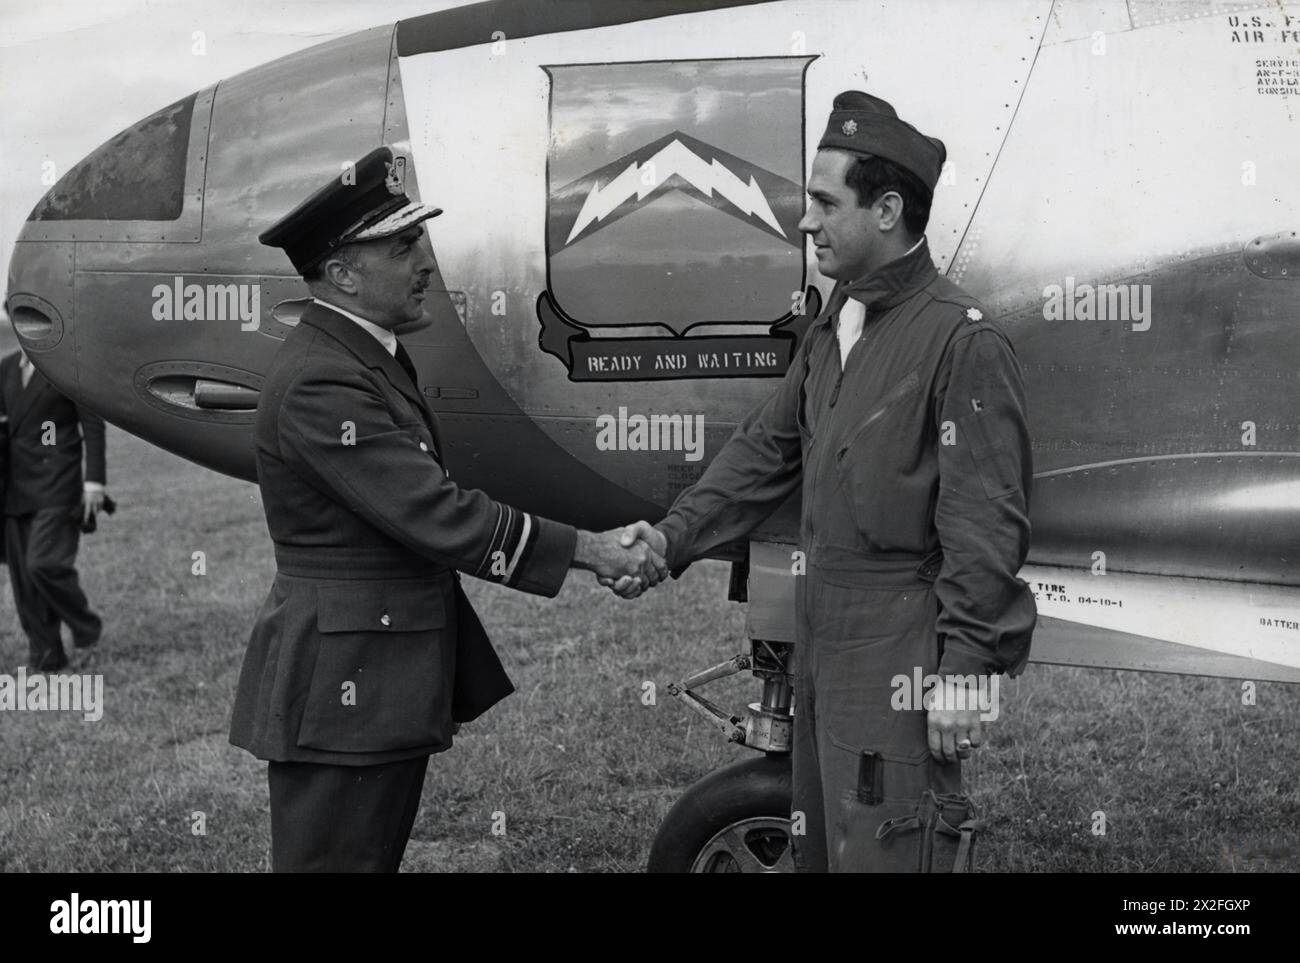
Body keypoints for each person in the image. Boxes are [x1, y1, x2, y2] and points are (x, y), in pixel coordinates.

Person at [616, 92, 1037, 872]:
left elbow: (987, 522)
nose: (805, 222)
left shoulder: (961, 342)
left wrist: (967, 667)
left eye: (822, 202)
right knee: (825, 850)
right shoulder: (839, 319)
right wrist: (673, 538)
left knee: (889, 847)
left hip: (898, 650)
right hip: (825, 636)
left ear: (886, 210)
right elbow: (765, 449)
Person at [231, 146, 665, 872]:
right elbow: (437, 513)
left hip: (371, 674)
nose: (425, 262)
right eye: (402, 246)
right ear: (341, 273)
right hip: (349, 684)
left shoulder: (359, 353)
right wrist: (593, 551)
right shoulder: (322, 381)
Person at [0, 344, 108, 672]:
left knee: (43, 564)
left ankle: (87, 630)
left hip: (58, 483)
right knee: (24, 579)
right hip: (14, 488)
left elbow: (92, 426)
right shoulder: (4, 368)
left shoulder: (67, 365)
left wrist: (95, 483)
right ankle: (46, 654)